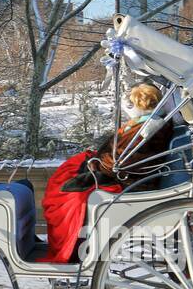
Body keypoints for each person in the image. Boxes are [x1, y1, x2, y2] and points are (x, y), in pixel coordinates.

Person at [41, 82, 175, 263]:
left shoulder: (150, 128)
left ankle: (71, 249)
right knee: (63, 178)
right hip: (117, 170)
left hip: (125, 179)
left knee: (67, 196)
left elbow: (127, 160)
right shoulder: (145, 125)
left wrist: (98, 165)